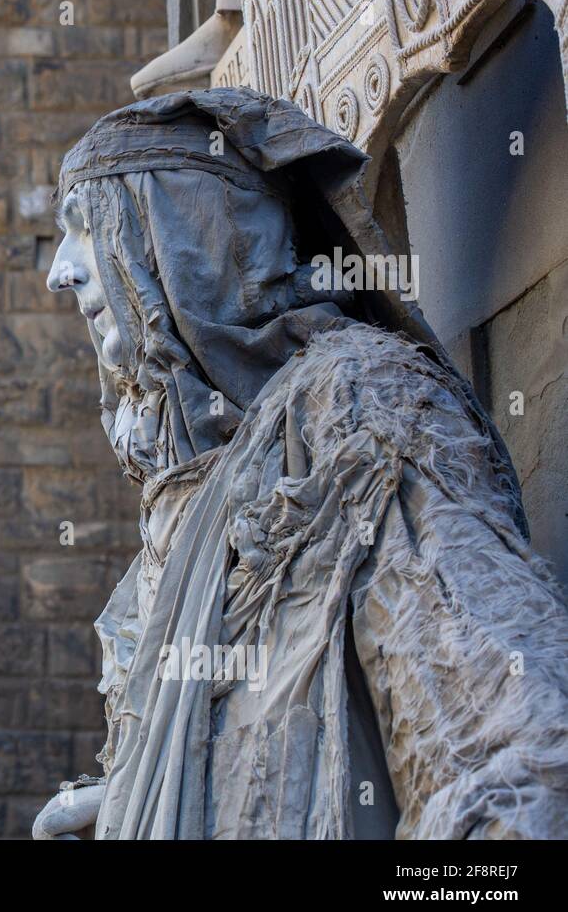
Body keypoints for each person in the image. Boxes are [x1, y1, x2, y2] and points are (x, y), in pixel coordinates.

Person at [33, 88, 568, 839]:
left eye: (87, 227)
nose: (59, 273)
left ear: (184, 234)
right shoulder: (186, 495)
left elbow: (509, 745)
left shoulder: (356, 403)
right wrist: (132, 797)